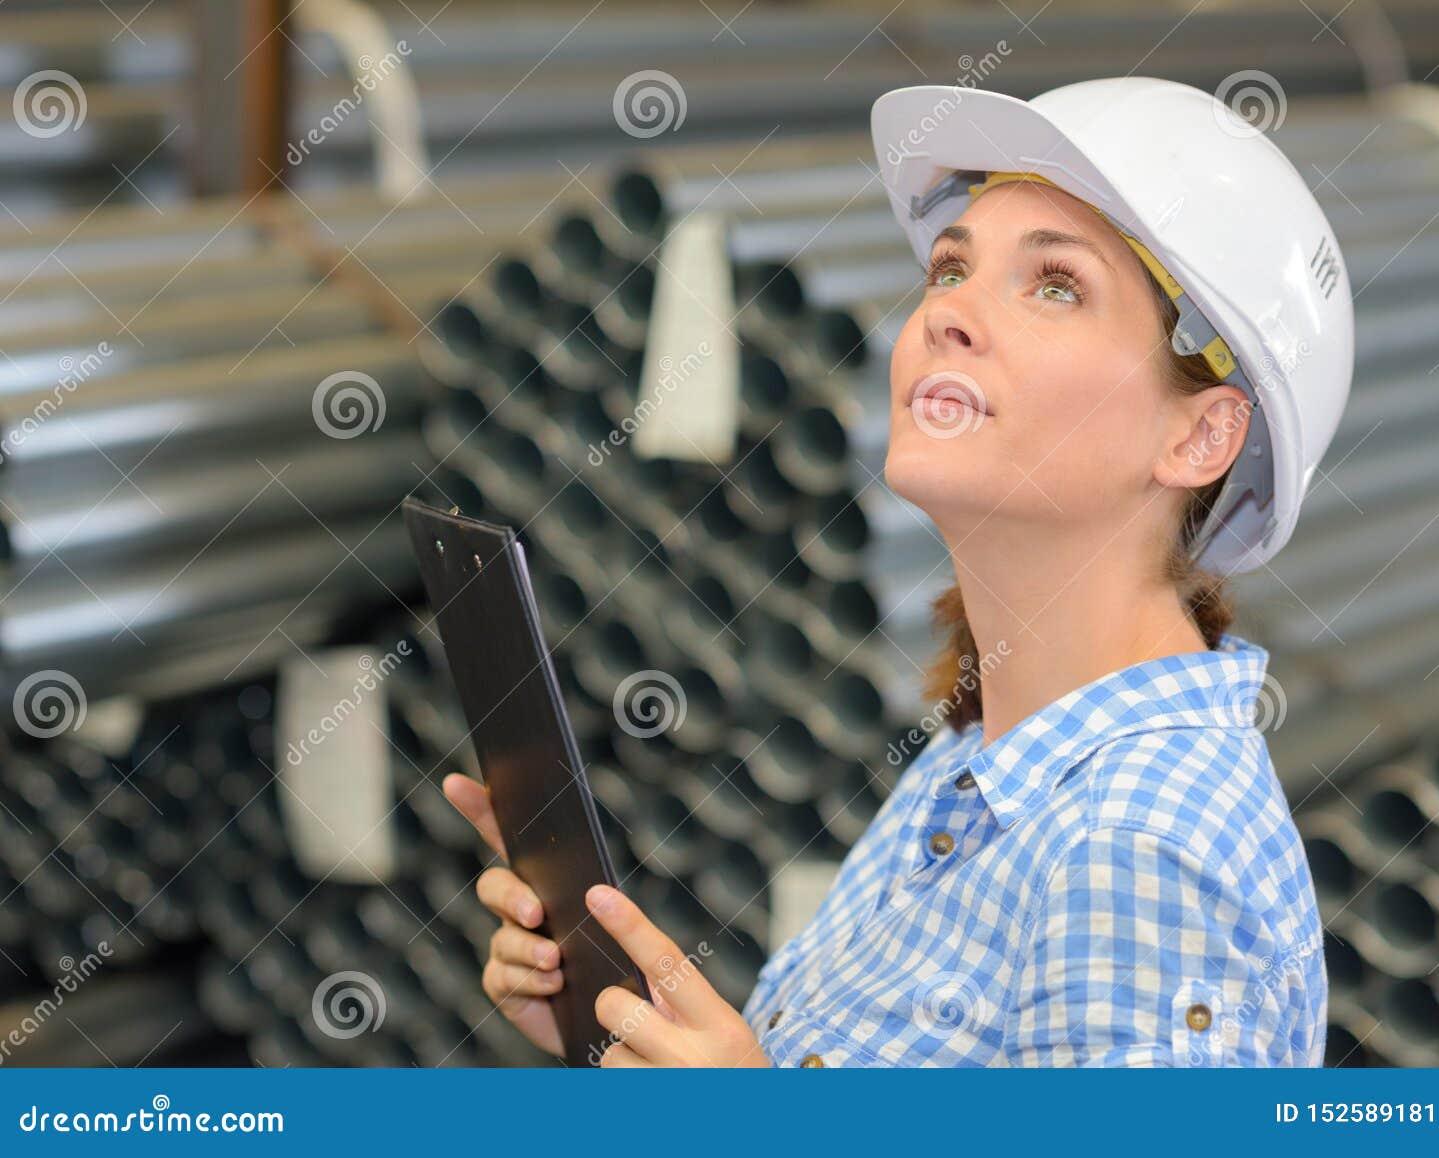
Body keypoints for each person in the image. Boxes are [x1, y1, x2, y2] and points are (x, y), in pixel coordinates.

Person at [443, 75, 1354, 1067]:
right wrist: (611, 1023)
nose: (950, 313)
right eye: (950, 269)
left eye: (1056, 285)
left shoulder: (1141, 851)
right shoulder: (967, 773)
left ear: (1199, 434)